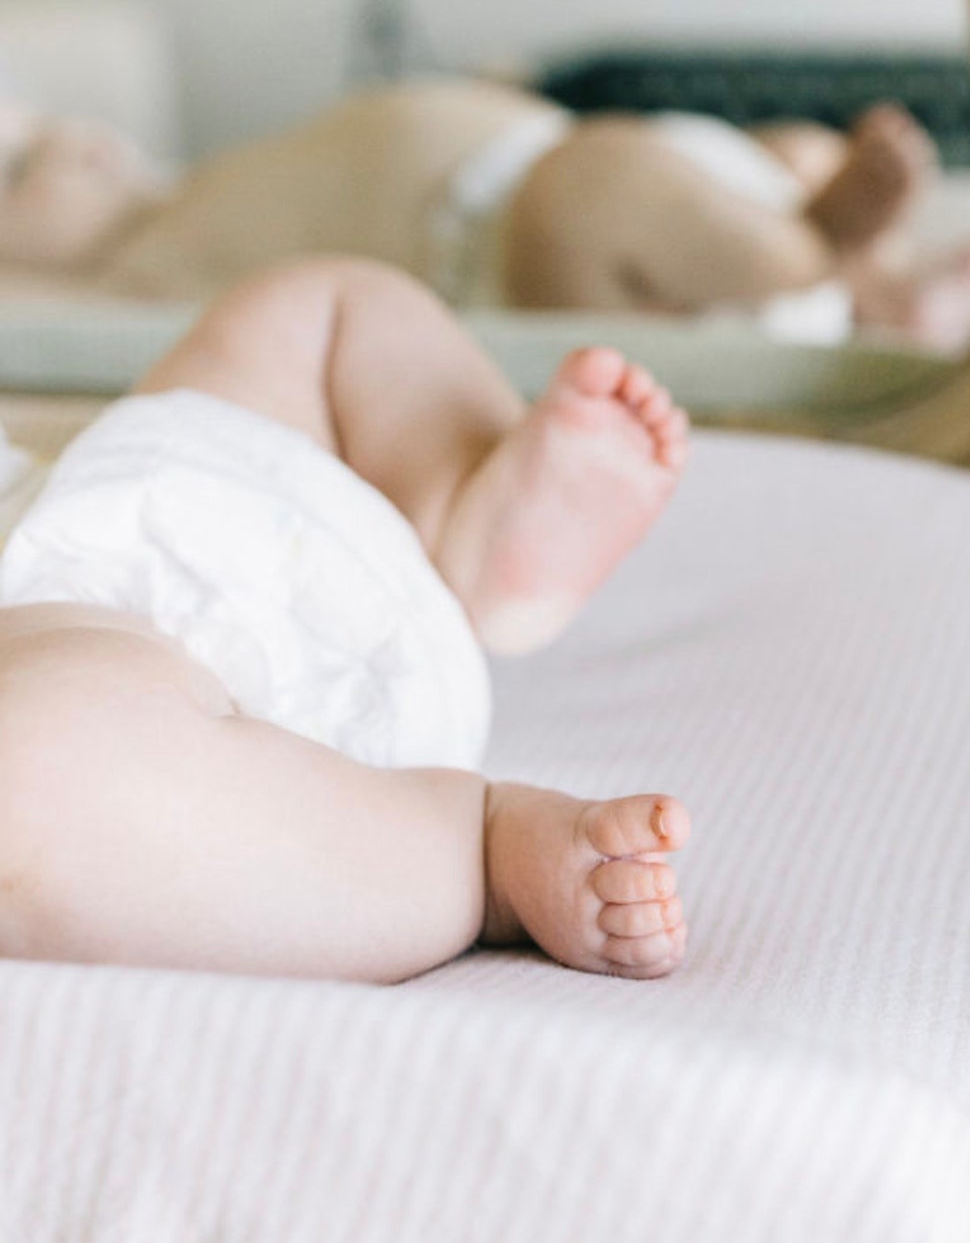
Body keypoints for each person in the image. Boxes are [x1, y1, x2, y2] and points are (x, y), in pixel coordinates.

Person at [0, 255, 695, 985]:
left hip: (128, 489)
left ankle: (471, 513)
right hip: (77, 665)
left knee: (321, 307)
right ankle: (470, 851)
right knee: (30, 781)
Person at [0, 78, 970, 349]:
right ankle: (818, 253)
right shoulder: (144, 274)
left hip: (619, 162)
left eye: (51, 122)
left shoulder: (194, 175)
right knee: (604, 187)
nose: (71, 141)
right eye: (20, 169)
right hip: (518, 247)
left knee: (786, 154)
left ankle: (877, 286)